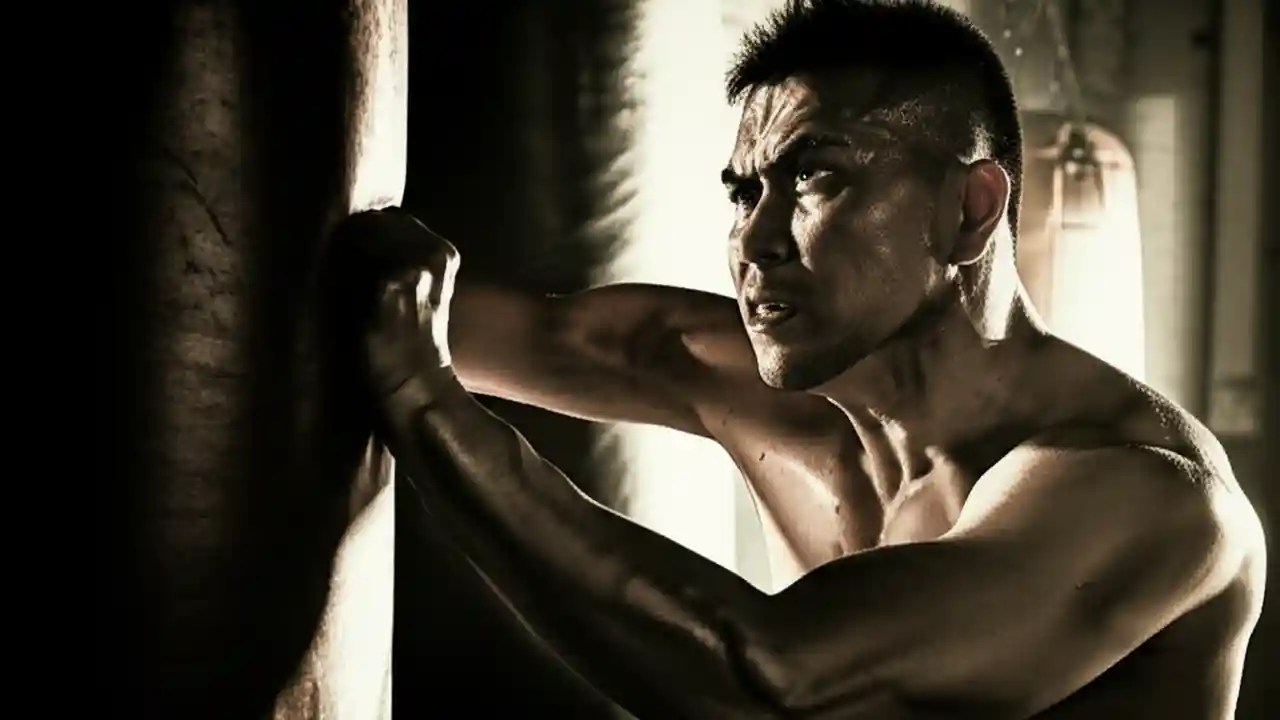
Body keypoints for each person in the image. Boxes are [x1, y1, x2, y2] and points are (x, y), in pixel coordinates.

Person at [352, 1, 1266, 717]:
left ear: (971, 210)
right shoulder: (780, 398)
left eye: (816, 177)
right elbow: (528, 336)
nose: (755, 239)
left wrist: (425, 404)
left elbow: (779, 685)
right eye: (744, 192)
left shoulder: (1145, 497)